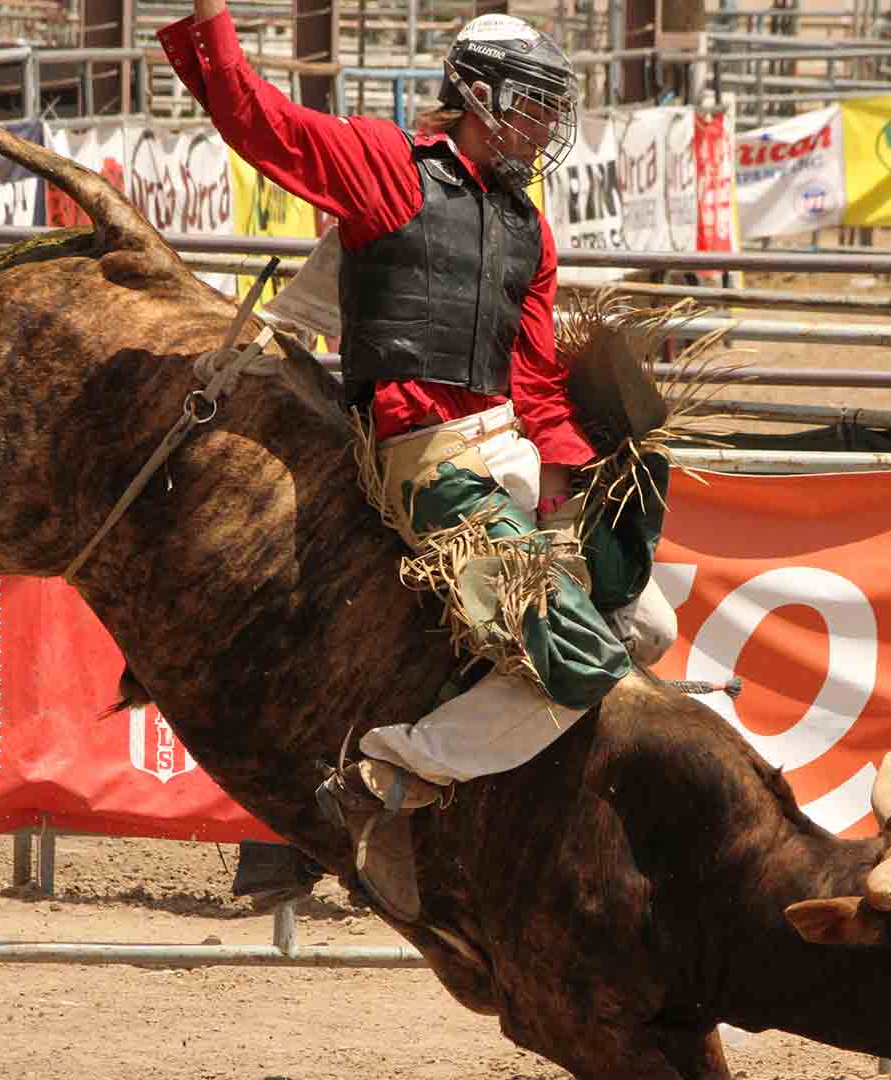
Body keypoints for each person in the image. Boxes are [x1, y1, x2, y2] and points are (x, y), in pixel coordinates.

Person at [159, 2, 672, 922]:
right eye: (536, 105)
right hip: (425, 456)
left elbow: (534, 379)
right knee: (584, 659)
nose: (548, 127)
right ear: (480, 97)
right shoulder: (388, 167)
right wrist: (212, 19)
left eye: (553, 109)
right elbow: (261, 124)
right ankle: (391, 775)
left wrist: (563, 475)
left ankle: (412, 783)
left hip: (507, 451)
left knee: (650, 624)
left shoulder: (529, 230)